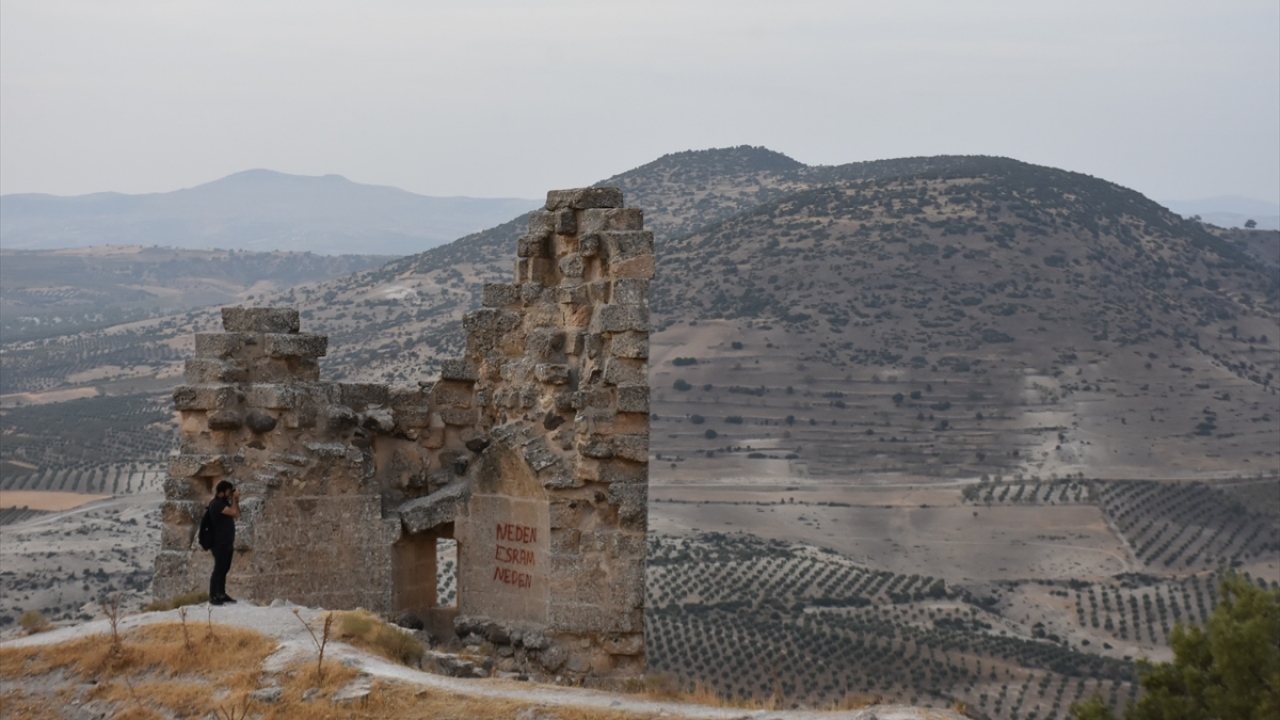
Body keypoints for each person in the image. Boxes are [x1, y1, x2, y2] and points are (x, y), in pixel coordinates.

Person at [208, 480, 240, 605]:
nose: (229, 494)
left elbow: (236, 515)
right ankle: (213, 595)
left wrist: (235, 500)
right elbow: (233, 512)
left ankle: (221, 593)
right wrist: (234, 500)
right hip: (218, 542)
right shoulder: (216, 504)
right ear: (221, 493)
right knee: (218, 569)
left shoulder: (224, 503)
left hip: (227, 541)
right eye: (228, 492)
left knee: (225, 568)